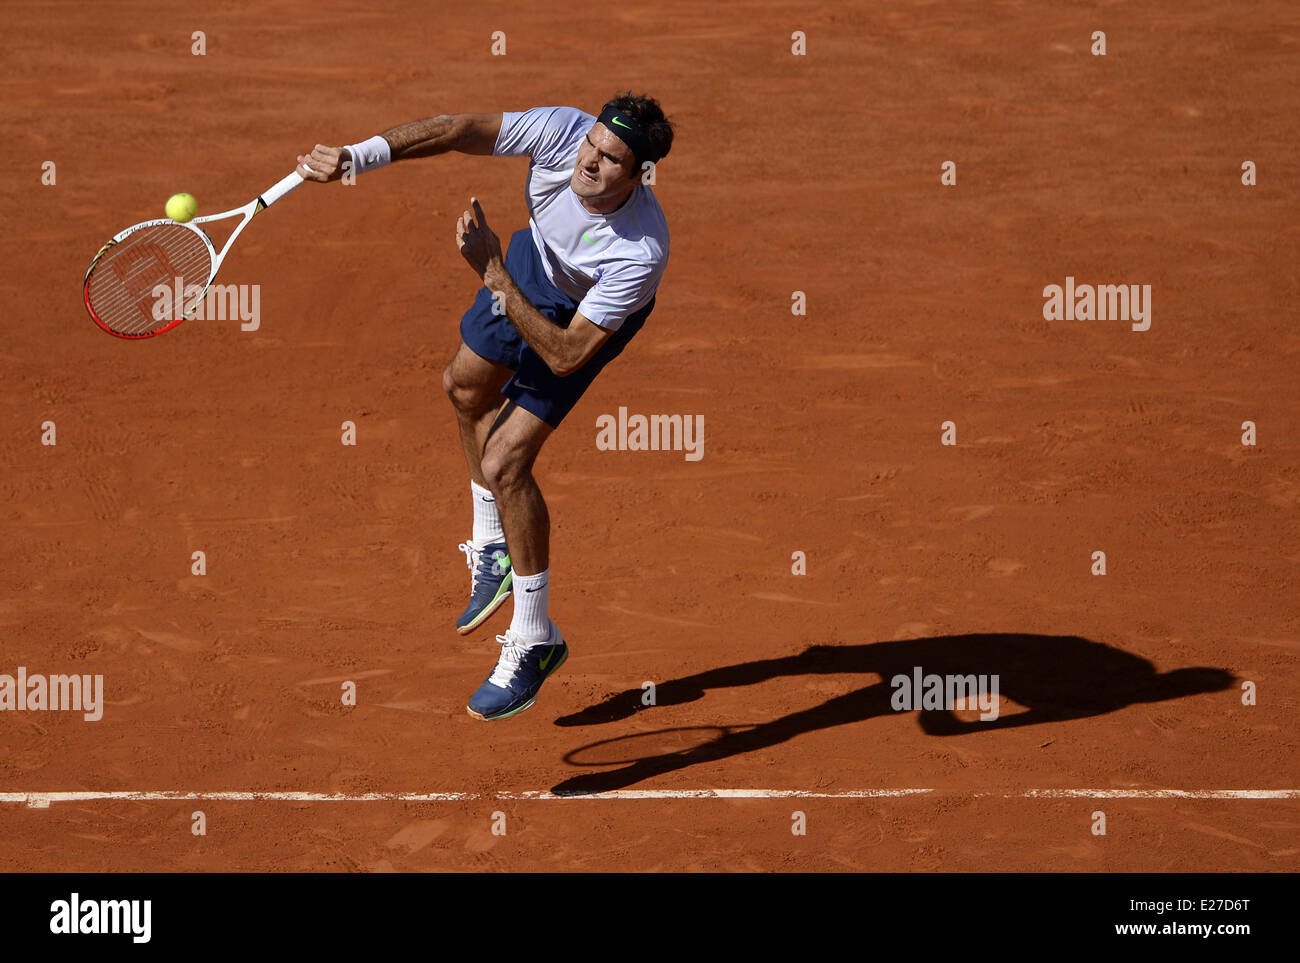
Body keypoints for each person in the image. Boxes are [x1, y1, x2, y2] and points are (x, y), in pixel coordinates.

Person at [296, 94, 674, 721]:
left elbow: (563, 356)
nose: (591, 163)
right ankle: (493, 545)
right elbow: (454, 129)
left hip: (579, 319)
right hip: (533, 263)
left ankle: (534, 638)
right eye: (593, 146)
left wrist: (495, 274)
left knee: (505, 463)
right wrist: (356, 157)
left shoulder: (638, 251)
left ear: (639, 177)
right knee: (464, 387)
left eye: (612, 162)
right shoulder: (560, 132)